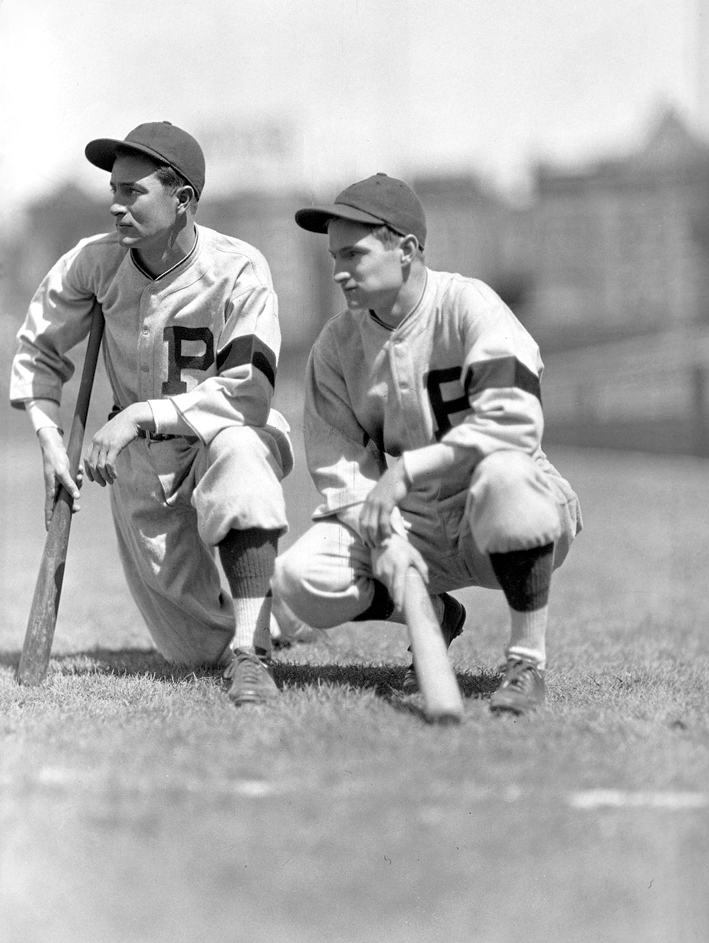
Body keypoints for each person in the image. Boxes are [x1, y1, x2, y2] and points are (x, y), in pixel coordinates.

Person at [272, 173, 582, 715]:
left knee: (506, 476)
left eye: (354, 254)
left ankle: (526, 661)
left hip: (502, 513)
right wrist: (382, 535)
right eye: (334, 256)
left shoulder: (469, 306)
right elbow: (341, 465)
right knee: (300, 579)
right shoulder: (337, 345)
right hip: (416, 525)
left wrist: (410, 468)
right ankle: (436, 613)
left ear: (407, 249)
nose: (339, 270)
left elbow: (513, 423)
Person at [10, 120, 296, 706]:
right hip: (142, 462)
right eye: (113, 190)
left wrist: (139, 415)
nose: (116, 205)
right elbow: (38, 349)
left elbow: (249, 391)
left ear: (182, 198)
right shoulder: (95, 262)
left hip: (220, 431)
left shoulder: (239, 268)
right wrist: (48, 437)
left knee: (239, 453)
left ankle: (253, 653)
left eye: (132, 192)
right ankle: (281, 608)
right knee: (193, 651)